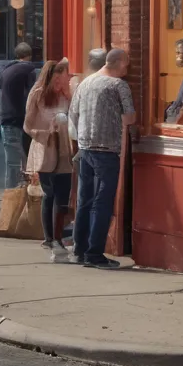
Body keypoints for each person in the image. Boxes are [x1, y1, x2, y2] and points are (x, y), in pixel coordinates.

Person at [68, 48, 135, 269]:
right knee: (102, 202)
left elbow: (74, 113)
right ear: (118, 63)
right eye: (126, 64)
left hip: (85, 148)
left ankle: (79, 250)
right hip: (107, 150)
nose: (127, 69)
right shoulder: (118, 85)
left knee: (84, 201)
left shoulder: (85, 83)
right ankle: (94, 253)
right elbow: (129, 117)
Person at [24, 59, 74, 263]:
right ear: (49, 76)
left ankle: (57, 238)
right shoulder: (38, 95)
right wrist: (46, 132)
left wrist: (69, 96)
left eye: (64, 77)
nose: (61, 81)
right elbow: (27, 126)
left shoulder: (66, 95)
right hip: (46, 148)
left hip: (65, 148)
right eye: (57, 77)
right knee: (50, 193)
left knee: (62, 196)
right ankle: (51, 238)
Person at [0, 43, 37, 190]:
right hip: (18, 119)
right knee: (19, 163)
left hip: (6, 118)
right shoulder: (29, 70)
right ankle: (14, 197)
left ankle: (13, 196)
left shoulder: (6, 70)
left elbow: (1, 91)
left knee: (13, 162)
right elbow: (32, 96)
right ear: (30, 55)